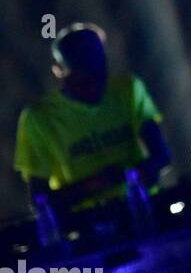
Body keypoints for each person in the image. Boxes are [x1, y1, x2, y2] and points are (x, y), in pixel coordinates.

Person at [13, 23, 171, 219]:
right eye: (83, 79)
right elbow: (40, 201)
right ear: (60, 72)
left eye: (98, 74)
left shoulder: (128, 89)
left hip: (145, 210)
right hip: (88, 226)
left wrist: (130, 178)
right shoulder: (39, 118)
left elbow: (162, 155)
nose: (94, 86)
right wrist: (99, 184)